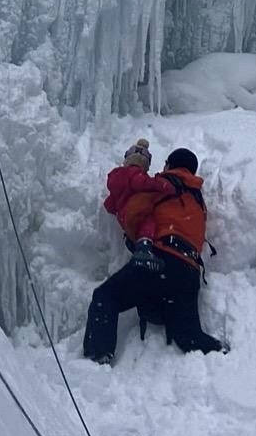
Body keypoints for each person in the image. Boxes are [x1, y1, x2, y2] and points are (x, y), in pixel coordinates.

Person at [82, 144, 223, 365]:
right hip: (188, 271)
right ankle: (228, 357)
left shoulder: (162, 185)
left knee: (105, 298)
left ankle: (97, 357)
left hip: (158, 258)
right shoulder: (197, 201)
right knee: (188, 337)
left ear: (169, 165)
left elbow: (134, 208)